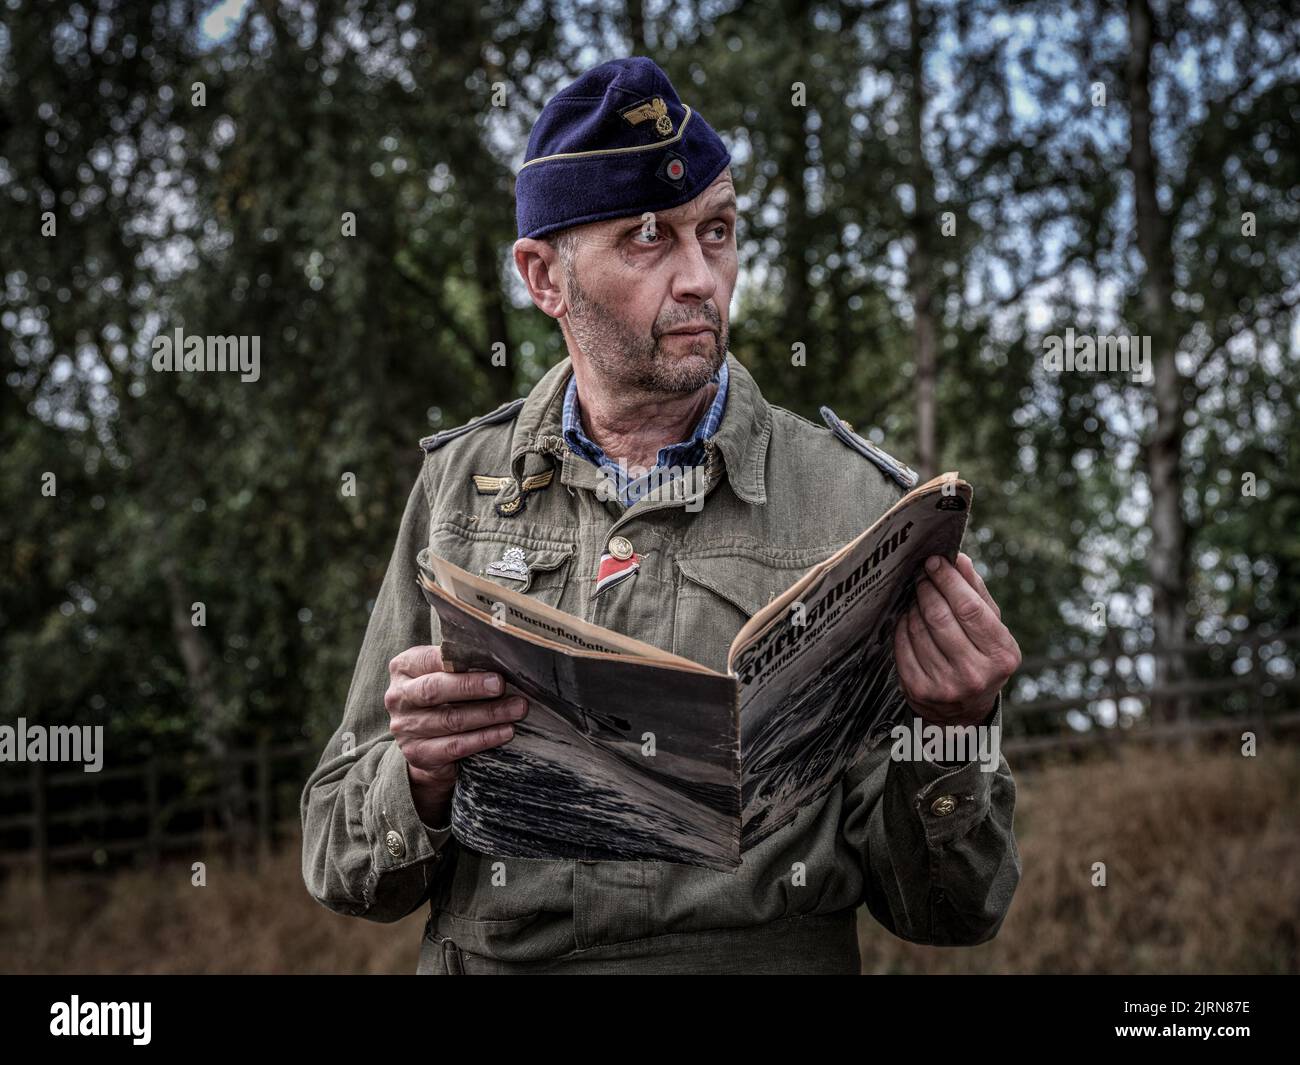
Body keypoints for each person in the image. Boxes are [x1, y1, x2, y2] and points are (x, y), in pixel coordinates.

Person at [301, 56, 1022, 975]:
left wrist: (955, 730)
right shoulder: (457, 488)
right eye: (649, 239)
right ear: (543, 276)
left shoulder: (857, 504)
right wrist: (421, 777)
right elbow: (338, 857)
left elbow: (951, 910)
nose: (700, 278)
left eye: (715, 231)